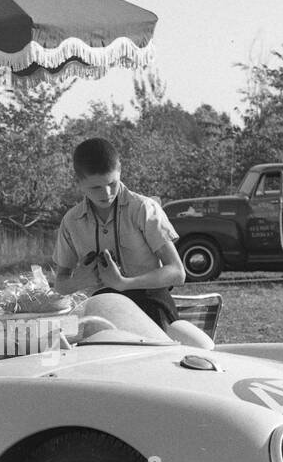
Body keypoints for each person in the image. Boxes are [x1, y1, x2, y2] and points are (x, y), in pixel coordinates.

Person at [54, 137, 213, 348]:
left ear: (120, 170)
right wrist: (78, 281)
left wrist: (124, 283)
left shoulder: (144, 209)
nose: (106, 193)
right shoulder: (71, 221)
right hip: (100, 316)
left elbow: (177, 272)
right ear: (79, 183)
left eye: (112, 183)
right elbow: (60, 284)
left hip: (152, 311)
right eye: (95, 188)